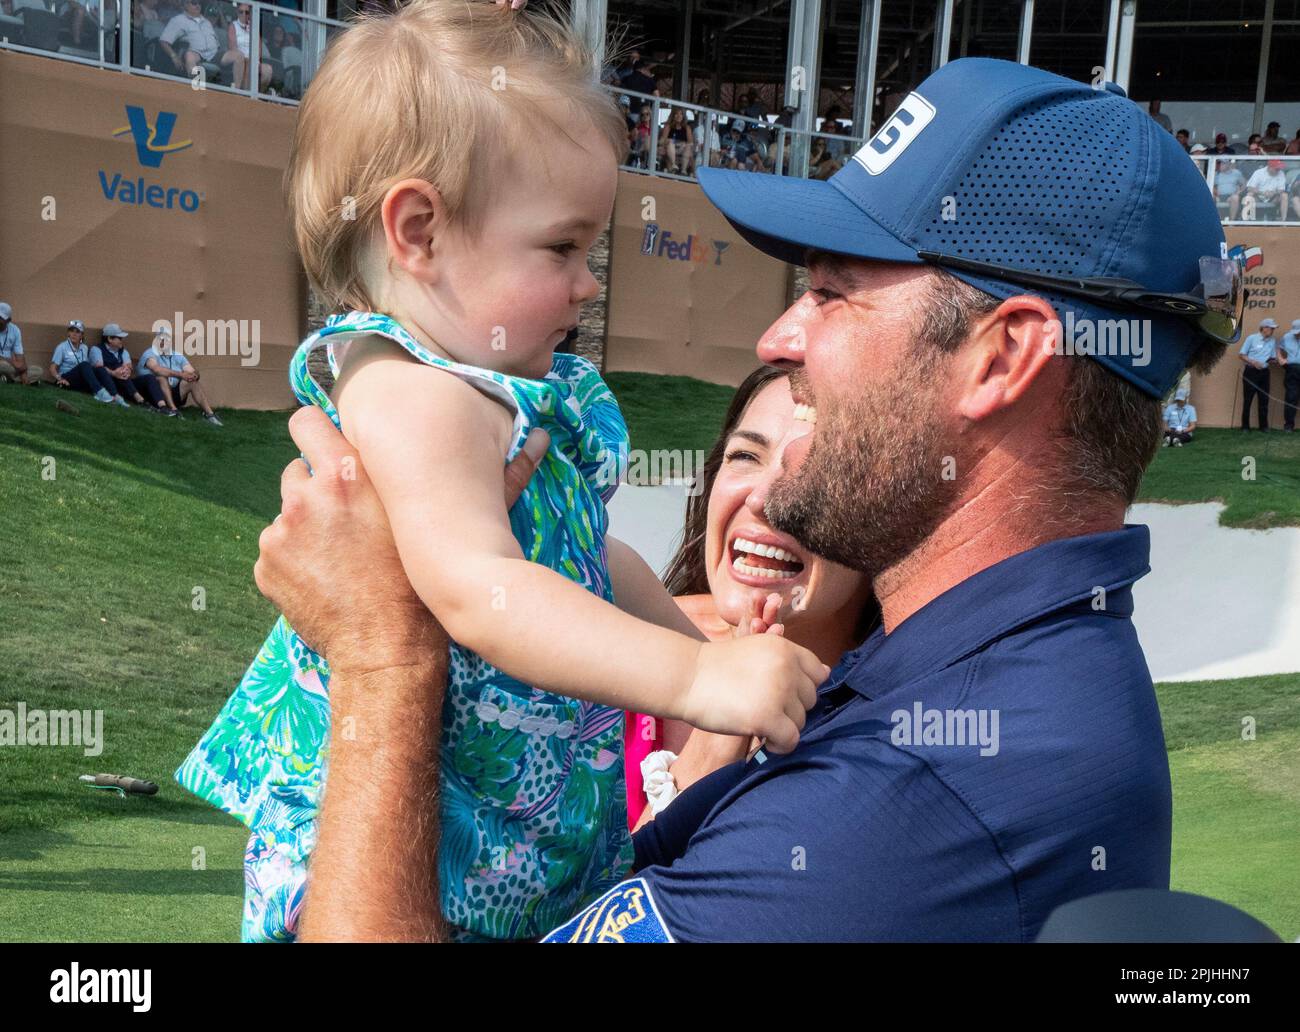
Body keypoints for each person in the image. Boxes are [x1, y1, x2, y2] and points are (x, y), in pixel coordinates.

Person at [258, 57, 1237, 942]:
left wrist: (381, 656)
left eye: (835, 292)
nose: (778, 337)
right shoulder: (964, 687)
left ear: (1001, 358)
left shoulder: (912, 806)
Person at [174, 0, 826, 945]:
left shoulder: (495, 392)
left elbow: (590, 558)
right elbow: (481, 591)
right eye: (563, 247)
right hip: (423, 843)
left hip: (491, 828)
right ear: (417, 231)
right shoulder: (411, 393)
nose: (590, 282)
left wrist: (712, 646)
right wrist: (697, 680)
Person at [625, 366, 876, 828]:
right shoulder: (603, 640)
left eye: (819, 471)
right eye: (744, 455)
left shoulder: (893, 725)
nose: (762, 498)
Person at [137, 331, 223, 423]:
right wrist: (181, 374)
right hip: (155, 395)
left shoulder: (177, 355)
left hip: (173, 392)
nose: (163, 342)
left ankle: (209, 414)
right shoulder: (150, 353)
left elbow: (191, 371)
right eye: (161, 339)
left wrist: (194, 375)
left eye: (166, 339)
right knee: (161, 377)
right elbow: (157, 369)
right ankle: (173, 410)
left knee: (192, 382)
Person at [91, 324, 170, 411]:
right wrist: (114, 373)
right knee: (117, 367)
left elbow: (128, 367)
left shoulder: (123, 351)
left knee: (149, 377)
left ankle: (163, 406)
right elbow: (98, 368)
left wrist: (126, 370)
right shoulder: (96, 349)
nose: (122, 341)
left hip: (124, 384)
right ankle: (140, 400)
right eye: (120, 338)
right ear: (110, 339)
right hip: (108, 384)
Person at [49, 320, 125, 406]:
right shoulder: (62, 347)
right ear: (68, 333)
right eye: (71, 331)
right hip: (67, 378)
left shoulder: (84, 348)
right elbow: (52, 368)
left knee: (100, 369)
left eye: (77, 332)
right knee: (84, 365)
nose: (74, 334)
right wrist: (60, 379)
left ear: (82, 335)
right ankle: (101, 393)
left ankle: (115, 395)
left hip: (80, 379)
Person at [159, 0, 220, 78]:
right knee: (189, 55)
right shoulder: (178, 20)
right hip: (196, 55)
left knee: (237, 55)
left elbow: (217, 44)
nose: (198, 5)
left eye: (199, 3)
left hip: (214, 56)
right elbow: (164, 41)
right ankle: (194, 85)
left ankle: (236, 88)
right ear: (186, 5)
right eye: (194, 3)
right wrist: (174, 56)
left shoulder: (207, 22)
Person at [221, 3, 273, 91]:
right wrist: (247, 59)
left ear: (250, 14)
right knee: (246, 62)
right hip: (239, 57)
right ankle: (240, 93)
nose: (244, 14)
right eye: (241, 12)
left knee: (268, 70)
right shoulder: (233, 25)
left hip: (252, 60)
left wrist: (254, 60)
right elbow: (232, 46)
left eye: (247, 12)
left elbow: (259, 49)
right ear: (237, 13)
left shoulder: (254, 28)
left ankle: (259, 94)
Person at [1238, 318, 1277, 431]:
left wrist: (1276, 360)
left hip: (1265, 373)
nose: (1273, 330)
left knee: (1264, 400)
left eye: (1273, 328)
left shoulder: (1273, 340)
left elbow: (1272, 358)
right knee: (1248, 400)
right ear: (1264, 328)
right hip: (1251, 372)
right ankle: (1245, 426)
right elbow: (1241, 355)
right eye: (1271, 328)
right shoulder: (1252, 338)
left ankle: (1263, 426)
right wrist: (1253, 362)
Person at [0, 301, 37, 385]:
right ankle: (13, 378)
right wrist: (14, 364)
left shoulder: (15, 330)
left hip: (12, 367)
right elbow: (16, 363)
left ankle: (9, 378)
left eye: (0, 318)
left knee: (37, 370)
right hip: (7, 365)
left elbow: (19, 355)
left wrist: (23, 372)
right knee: (3, 366)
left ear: (8, 320)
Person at [659, 107, 693, 175]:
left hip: (682, 149)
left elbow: (691, 143)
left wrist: (683, 144)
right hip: (670, 149)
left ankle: (683, 171)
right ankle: (674, 165)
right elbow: (661, 141)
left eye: (681, 114)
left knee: (688, 147)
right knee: (671, 143)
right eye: (676, 114)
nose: (679, 116)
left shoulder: (687, 128)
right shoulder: (668, 126)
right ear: (673, 115)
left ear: (683, 116)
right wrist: (668, 140)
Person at [1280, 318, 1300, 432]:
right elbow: (1279, 348)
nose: (1297, 334)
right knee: (1291, 398)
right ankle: (1288, 425)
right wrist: (1280, 358)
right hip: (1291, 369)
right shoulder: (1287, 337)